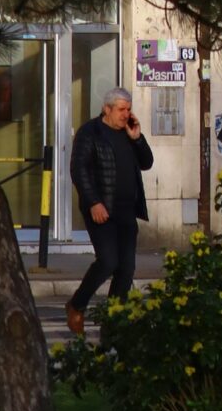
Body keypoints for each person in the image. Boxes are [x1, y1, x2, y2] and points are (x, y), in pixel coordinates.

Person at [65, 88, 155, 333]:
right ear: (107, 109)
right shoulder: (90, 132)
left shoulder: (128, 133)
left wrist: (137, 138)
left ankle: (113, 321)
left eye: (129, 109)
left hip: (127, 210)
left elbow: (147, 163)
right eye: (121, 109)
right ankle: (77, 304)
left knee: (126, 269)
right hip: (101, 208)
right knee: (108, 261)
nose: (126, 114)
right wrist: (93, 201)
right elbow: (78, 169)